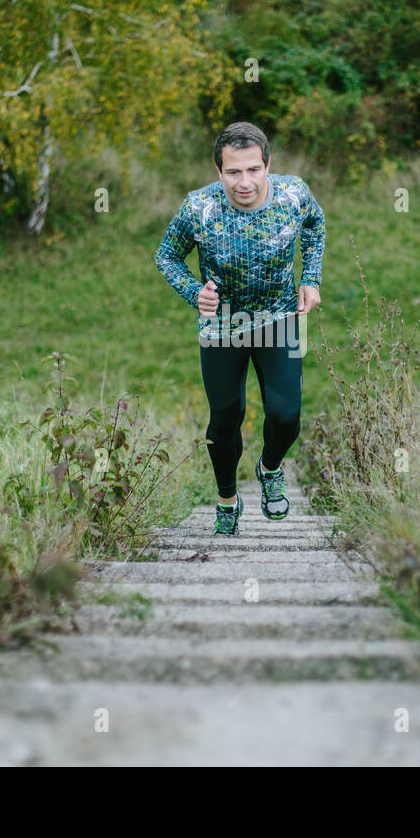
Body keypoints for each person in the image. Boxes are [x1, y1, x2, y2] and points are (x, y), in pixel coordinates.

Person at [155, 122, 325, 534]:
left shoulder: (293, 194)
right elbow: (167, 256)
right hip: (223, 328)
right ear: (219, 172)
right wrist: (194, 292)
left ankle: (269, 469)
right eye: (233, 172)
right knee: (226, 418)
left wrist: (311, 278)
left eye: (253, 170)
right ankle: (227, 498)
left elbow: (315, 227)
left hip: (279, 319)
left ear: (268, 165)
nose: (244, 182)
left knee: (286, 415)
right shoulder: (198, 207)